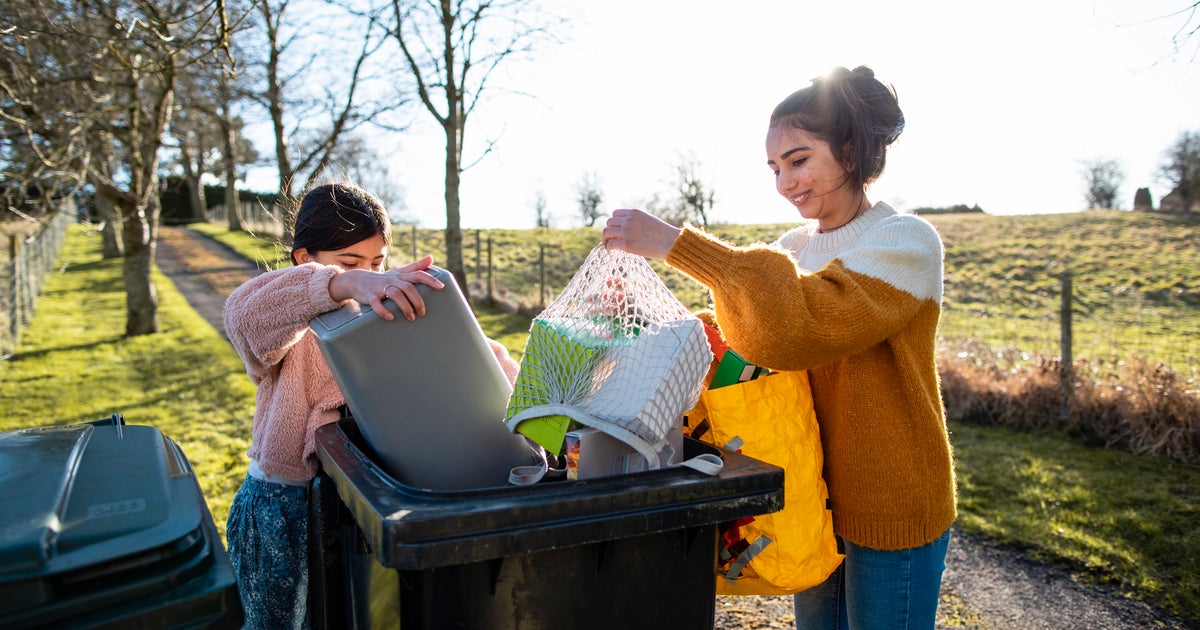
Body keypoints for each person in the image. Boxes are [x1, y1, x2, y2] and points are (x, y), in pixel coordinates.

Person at [601, 66, 956, 629]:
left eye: (798, 159)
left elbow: (799, 327)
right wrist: (638, 312)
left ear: (848, 150)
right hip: (811, 494)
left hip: (890, 496)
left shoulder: (904, 241)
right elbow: (744, 340)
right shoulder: (793, 248)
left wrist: (676, 244)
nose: (785, 182)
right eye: (774, 168)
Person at [222, 182, 519, 629]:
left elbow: (477, 357)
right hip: (283, 507)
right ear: (305, 258)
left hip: (363, 505)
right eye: (350, 261)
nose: (370, 274)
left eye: (377, 263)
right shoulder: (293, 321)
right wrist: (343, 284)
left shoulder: (383, 312)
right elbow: (243, 315)